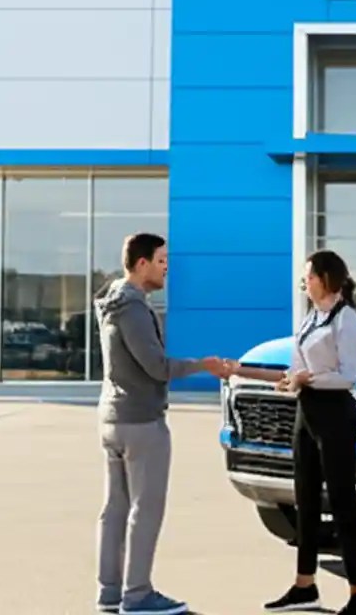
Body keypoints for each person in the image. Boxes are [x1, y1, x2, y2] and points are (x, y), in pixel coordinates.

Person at [221, 249, 356, 615]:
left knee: (341, 501)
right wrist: (240, 370)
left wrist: (310, 378)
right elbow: (291, 373)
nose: (303, 281)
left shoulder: (345, 319)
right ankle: (304, 585)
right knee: (304, 499)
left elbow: (349, 375)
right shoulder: (311, 318)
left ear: (325, 278)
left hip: (335, 416)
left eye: (308, 275)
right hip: (307, 414)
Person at [95, 233, 233, 615]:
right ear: (141, 264)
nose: (166, 267)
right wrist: (203, 365)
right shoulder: (133, 307)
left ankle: (110, 593)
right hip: (140, 421)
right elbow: (156, 367)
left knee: (116, 508)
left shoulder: (110, 302)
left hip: (112, 418)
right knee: (145, 509)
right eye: (161, 261)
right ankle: (137, 595)